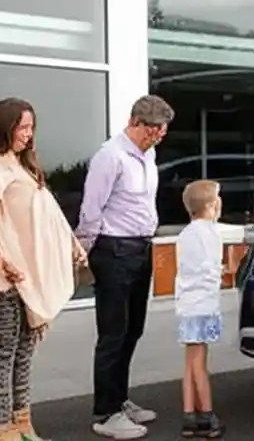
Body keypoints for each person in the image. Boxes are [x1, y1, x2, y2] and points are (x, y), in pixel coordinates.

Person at [0, 97, 88, 441]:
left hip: (32, 276)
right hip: (6, 278)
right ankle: (2, 430)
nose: (29, 135)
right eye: (23, 127)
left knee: (24, 352)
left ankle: (22, 424)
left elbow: (48, 212)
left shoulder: (20, 165)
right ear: (5, 126)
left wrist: (71, 245)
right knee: (2, 352)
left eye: (32, 128)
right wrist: (1, 260)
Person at [76, 95, 175, 440]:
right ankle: (105, 412)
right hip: (114, 250)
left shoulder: (148, 156)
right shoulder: (110, 157)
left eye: (162, 132)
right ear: (135, 122)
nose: (158, 136)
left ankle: (119, 400)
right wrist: (84, 255)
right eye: (153, 130)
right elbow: (91, 209)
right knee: (113, 333)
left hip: (140, 248)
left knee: (133, 329)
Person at [175, 180, 226, 438]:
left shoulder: (184, 235)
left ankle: (189, 416)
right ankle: (207, 415)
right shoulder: (213, 234)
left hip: (186, 306)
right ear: (212, 204)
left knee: (189, 362)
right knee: (200, 363)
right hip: (203, 306)